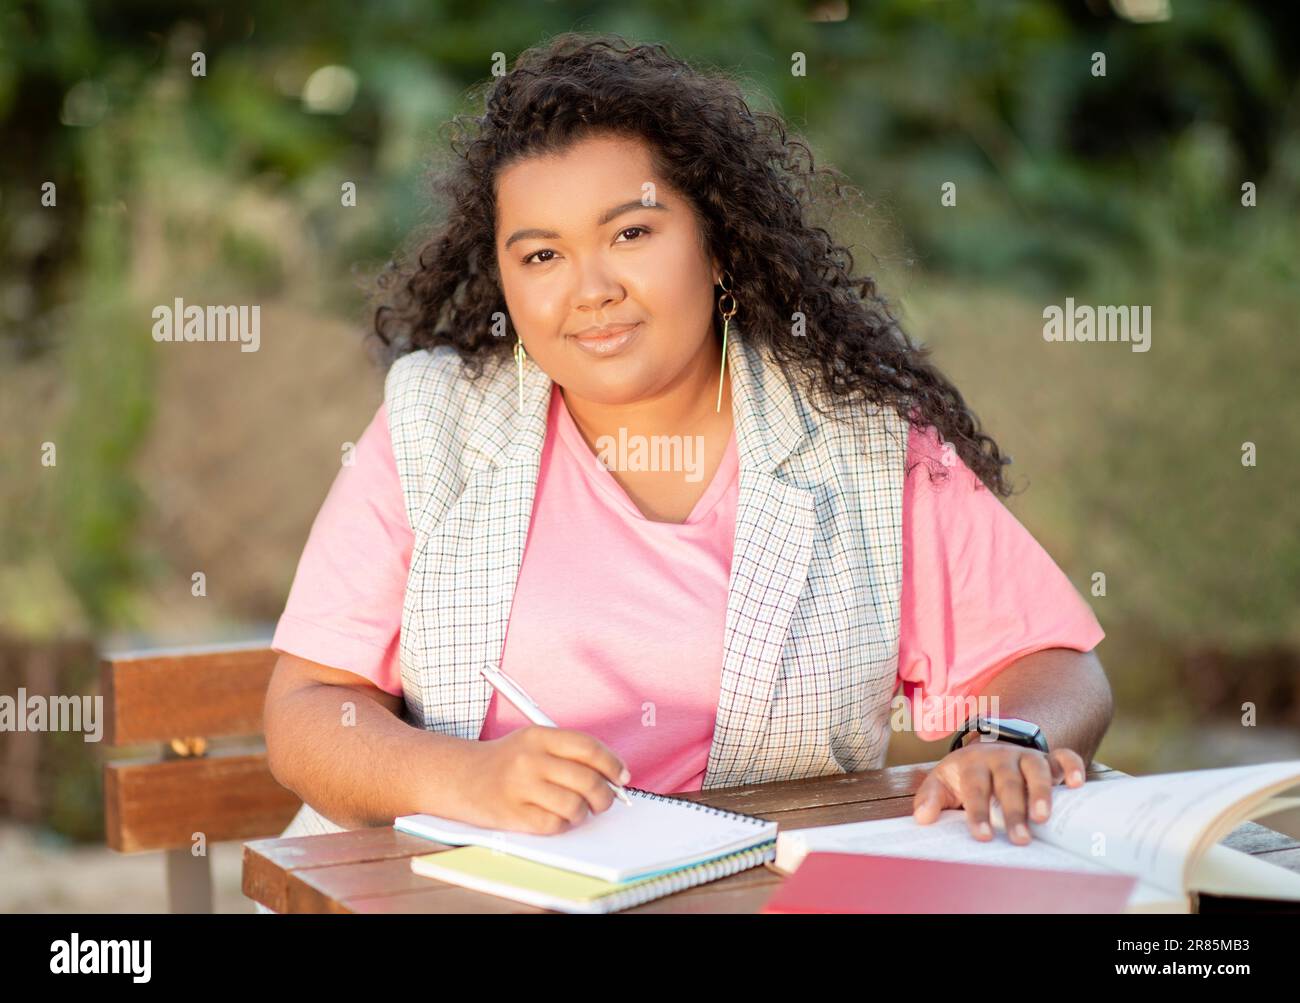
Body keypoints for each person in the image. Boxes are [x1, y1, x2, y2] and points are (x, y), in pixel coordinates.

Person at [261, 34, 1112, 904]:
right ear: (506, 280)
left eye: (631, 232)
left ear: (715, 243)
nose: (591, 289)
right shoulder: (432, 420)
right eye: (542, 254)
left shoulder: (859, 438)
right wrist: (463, 777)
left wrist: (1008, 741)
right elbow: (307, 709)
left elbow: (1053, 663)